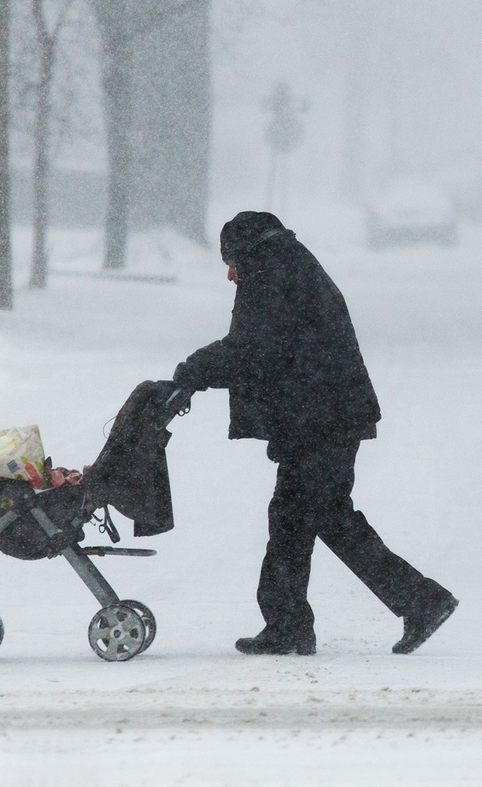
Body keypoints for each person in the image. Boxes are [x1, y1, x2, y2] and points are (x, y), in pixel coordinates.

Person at [173, 211, 458, 656]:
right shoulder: (284, 262)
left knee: (324, 516)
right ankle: (289, 624)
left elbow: (253, 348)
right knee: (295, 517)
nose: (229, 274)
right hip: (321, 414)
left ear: (245, 251)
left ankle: (420, 600)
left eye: (229, 262)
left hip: (322, 417)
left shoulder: (270, 271)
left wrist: (193, 371)